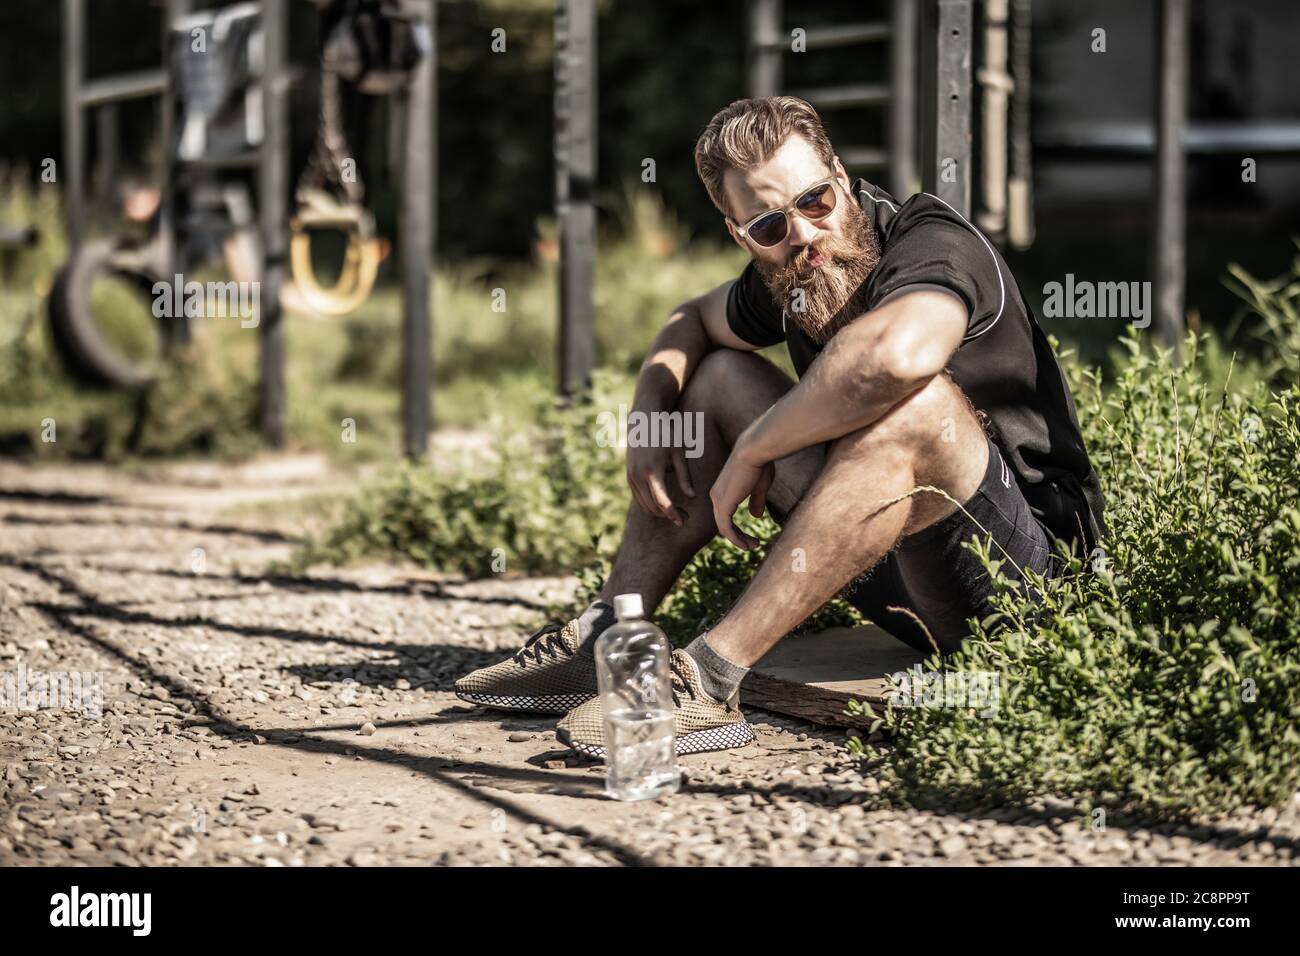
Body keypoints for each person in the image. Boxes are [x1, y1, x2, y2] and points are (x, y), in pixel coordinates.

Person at [456, 96, 1106, 758]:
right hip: (896, 578)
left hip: (1024, 587)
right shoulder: (792, 270)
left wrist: (756, 448)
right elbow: (692, 320)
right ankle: (605, 633)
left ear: (842, 178)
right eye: (768, 224)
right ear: (741, 235)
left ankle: (706, 683)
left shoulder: (932, 241)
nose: (801, 233)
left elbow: (895, 357)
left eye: (815, 202)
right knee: (715, 380)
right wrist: (650, 413)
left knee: (918, 404)